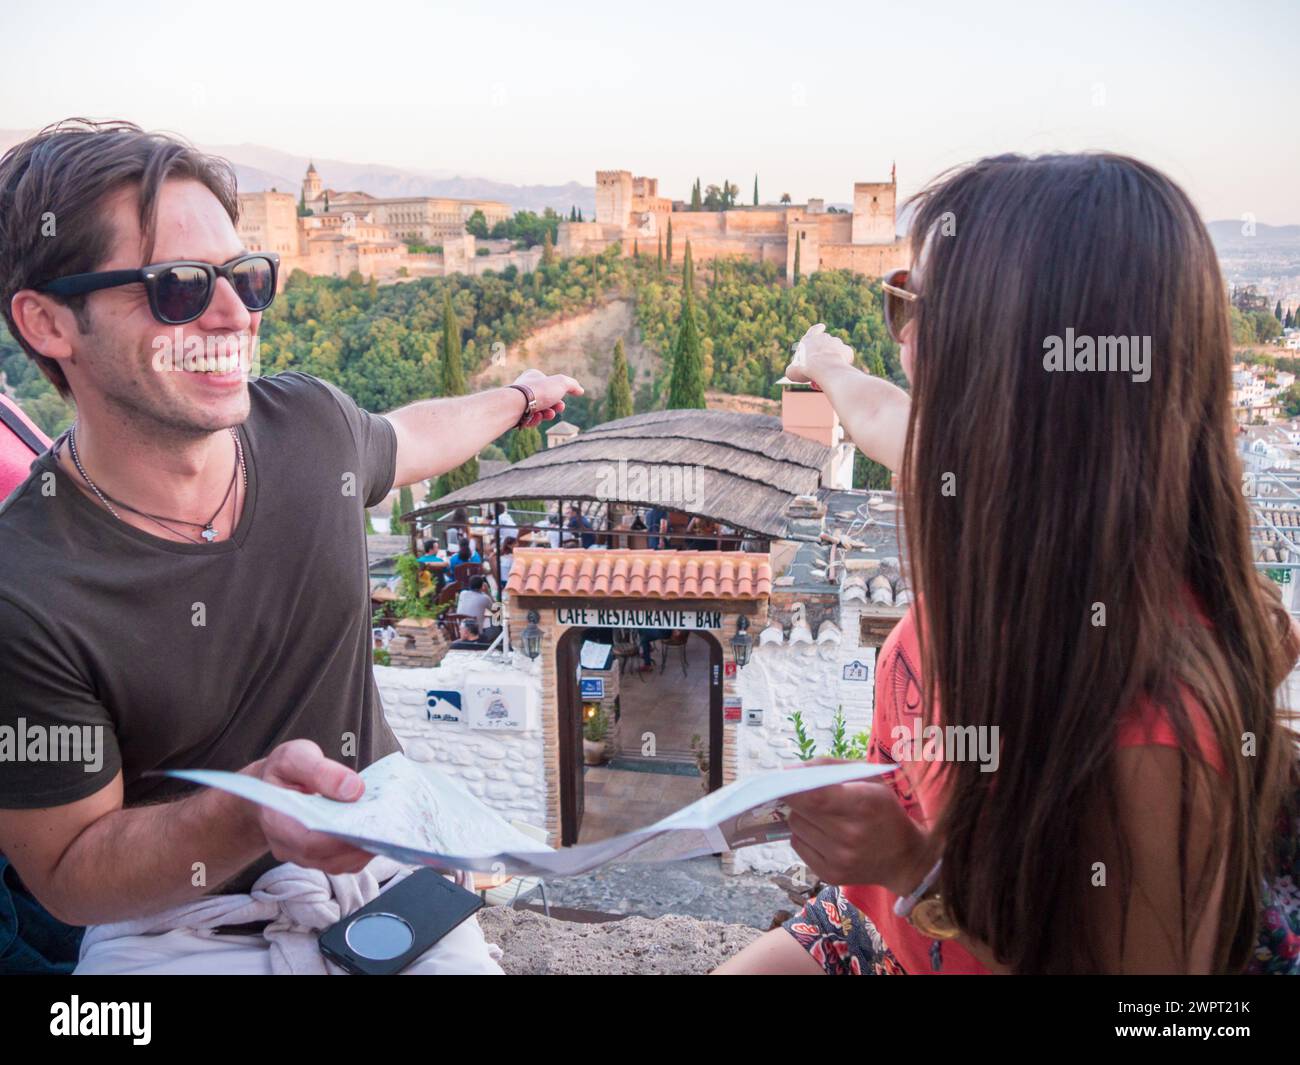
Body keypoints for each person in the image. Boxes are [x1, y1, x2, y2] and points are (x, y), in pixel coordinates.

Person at [0, 119, 584, 975]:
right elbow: (69, 874)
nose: (235, 314)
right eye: (177, 287)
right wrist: (243, 816)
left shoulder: (309, 428)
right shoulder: (24, 588)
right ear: (48, 323)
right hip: (178, 931)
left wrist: (518, 396)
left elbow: (406, 436)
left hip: (386, 889)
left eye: (247, 277)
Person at [716, 152, 1300, 976]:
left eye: (920, 308)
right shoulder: (996, 488)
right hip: (894, 918)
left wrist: (909, 864)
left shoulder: (1154, 739)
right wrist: (827, 365)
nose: (906, 333)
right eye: (900, 299)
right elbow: (886, 415)